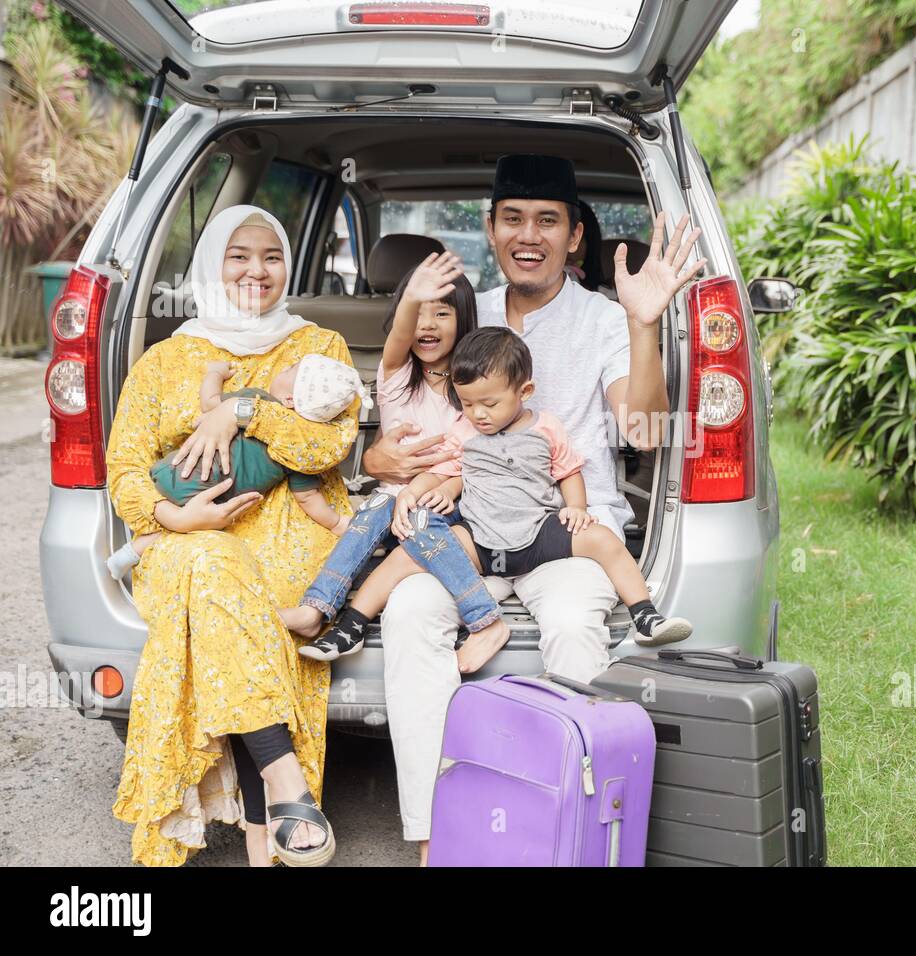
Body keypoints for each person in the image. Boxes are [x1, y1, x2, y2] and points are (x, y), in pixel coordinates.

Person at [363, 153, 706, 861]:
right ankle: (433, 838)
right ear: (489, 229)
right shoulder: (463, 315)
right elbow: (407, 416)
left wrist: (645, 325)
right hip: (475, 535)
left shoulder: (607, 321)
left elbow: (642, 431)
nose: (529, 234)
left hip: (567, 532)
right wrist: (383, 460)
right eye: (513, 218)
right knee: (409, 611)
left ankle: (562, 836)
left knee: (577, 623)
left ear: (574, 237)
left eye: (547, 220)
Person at [105, 204, 360, 866]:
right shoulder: (168, 358)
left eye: (272, 256)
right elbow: (125, 473)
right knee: (214, 565)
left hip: (290, 530)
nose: (256, 270)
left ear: (290, 266)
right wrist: (175, 519)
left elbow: (324, 444)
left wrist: (239, 410)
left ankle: (259, 831)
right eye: (238, 256)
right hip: (181, 538)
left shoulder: (318, 346)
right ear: (212, 261)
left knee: (244, 586)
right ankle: (283, 789)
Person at [307, 327, 692, 669]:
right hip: (479, 539)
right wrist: (417, 490)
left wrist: (576, 507)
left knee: (603, 540)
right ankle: (352, 625)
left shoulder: (546, 428)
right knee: (407, 554)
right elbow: (447, 469)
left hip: (538, 534)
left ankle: (645, 615)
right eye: (468, 403)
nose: (478, 414)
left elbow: (568, 471)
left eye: (489, 404)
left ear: (525, 391)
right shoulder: (464, 430)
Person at [277, 252, 506, 660]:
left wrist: (448, 486)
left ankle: (483, 620)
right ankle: (317, 608)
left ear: (465, 321)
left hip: (447, 501)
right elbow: (399, 338)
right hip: (392, 495)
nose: (426, 325)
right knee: (368, 518)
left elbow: (479, 458)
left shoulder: (475, 389)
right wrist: (409, 301)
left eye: (441, 314)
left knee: (418, 518)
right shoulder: (398, 378)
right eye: (417, 312)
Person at [104, 353, 370, 580]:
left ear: (289, 400)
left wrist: (216, 373)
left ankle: (129, 552)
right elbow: (309, 497)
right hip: (208, 497)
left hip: (172, 470)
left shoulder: (255, 399)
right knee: (192, 531)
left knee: (183, 522)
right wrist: (335, 523)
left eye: (290, 370)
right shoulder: (299, 452)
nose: (283, 368)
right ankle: (130, 553)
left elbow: (209, 402)